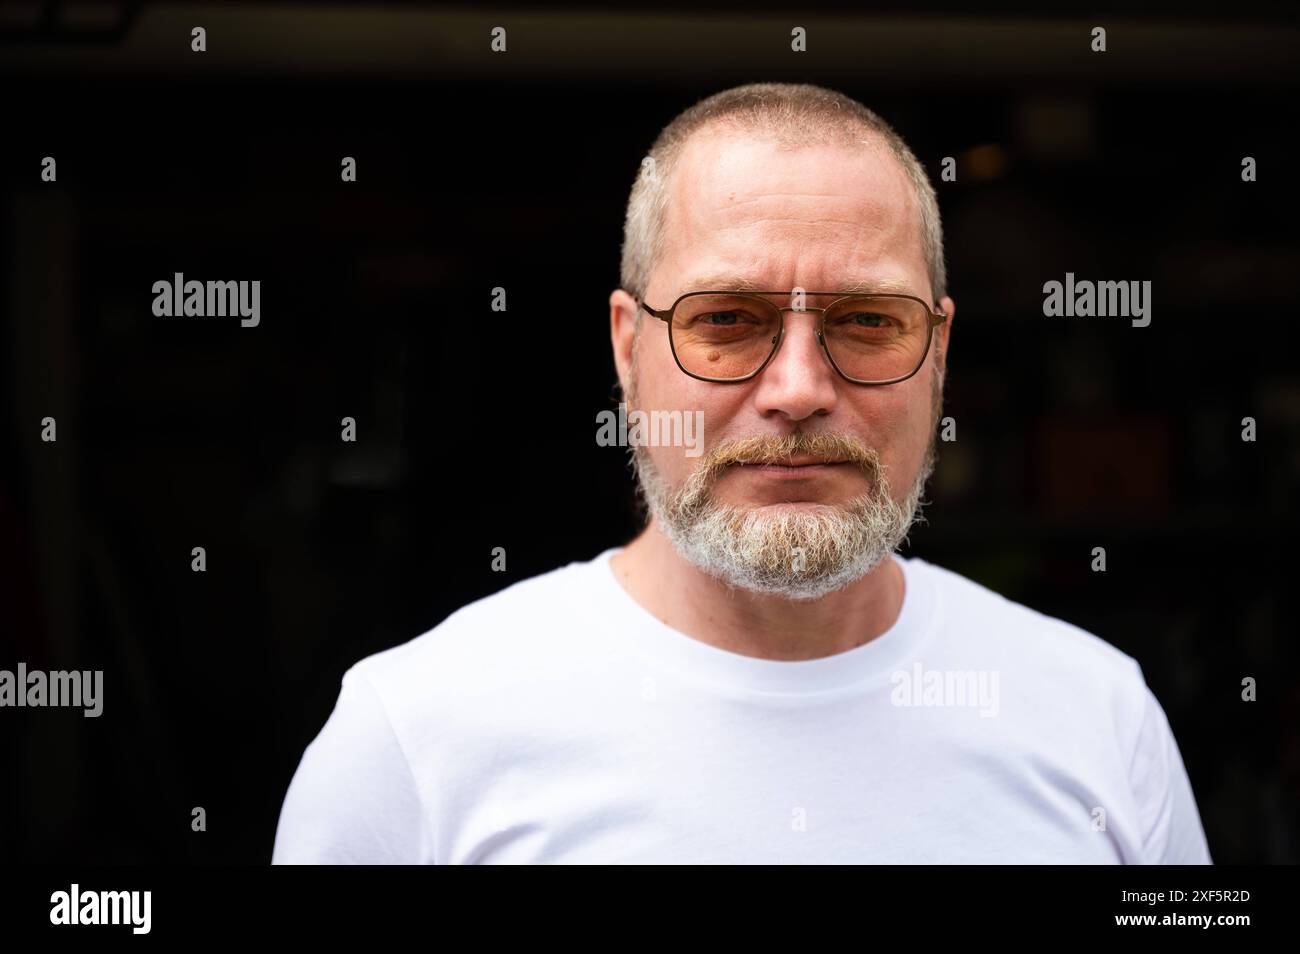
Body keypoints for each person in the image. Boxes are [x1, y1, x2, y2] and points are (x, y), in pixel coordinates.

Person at [272, 82, 1211, 864]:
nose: (798, 391)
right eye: (725, 321)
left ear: (939, 352)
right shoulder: (413, 739)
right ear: (628, 348)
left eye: (868, 321)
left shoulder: (1099, 718)